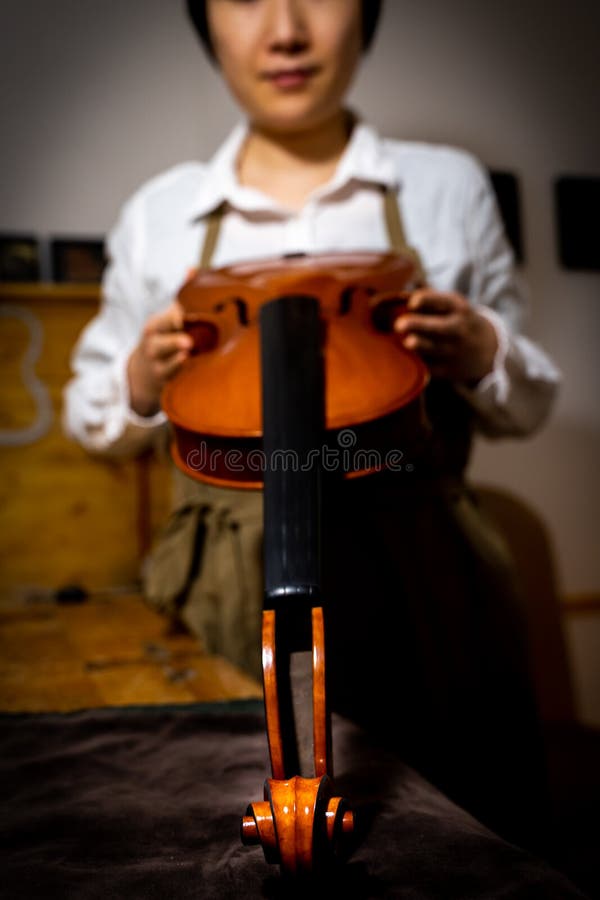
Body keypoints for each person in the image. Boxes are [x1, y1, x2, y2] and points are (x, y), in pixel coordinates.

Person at [63, 0, 561, 850]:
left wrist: (483, 346)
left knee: (464, 835)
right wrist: (141, 379)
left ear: (365, 15)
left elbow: (529, 405)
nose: (286, 30)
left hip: (428, 573)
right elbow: (89, 418)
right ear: (206, 21)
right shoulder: (160, 210)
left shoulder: (445, 186)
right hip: (225, 579)